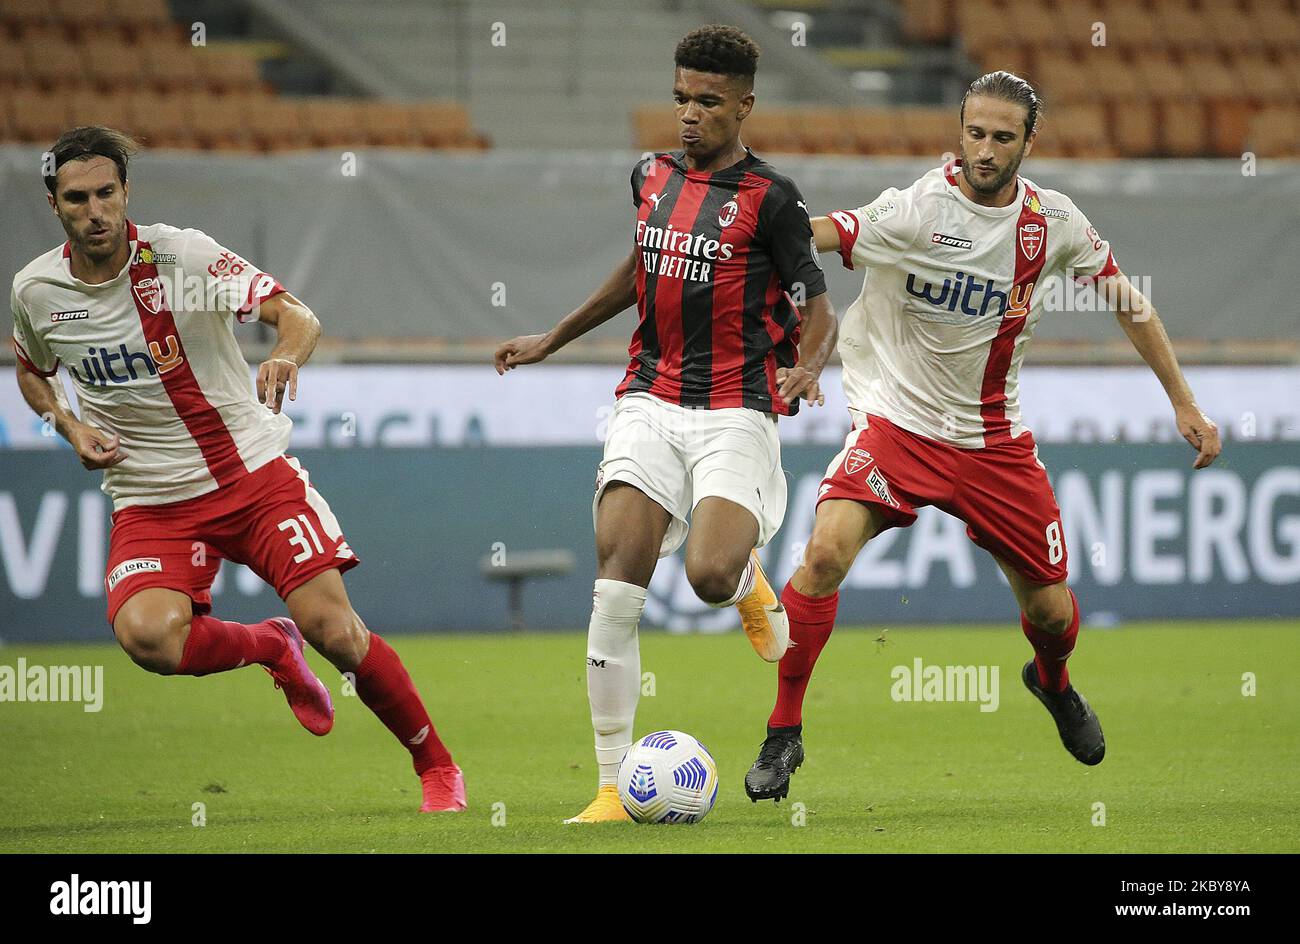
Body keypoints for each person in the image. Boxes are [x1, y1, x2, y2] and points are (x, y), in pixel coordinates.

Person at [744, 72, 1223, 801]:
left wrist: (1183, 402)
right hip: (895, 427)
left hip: (992, 443)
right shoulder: (914, 209)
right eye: (975, 133)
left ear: (1030, 142)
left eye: (1003, 137)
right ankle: (784, 733)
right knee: (824, 553)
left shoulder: (1052, 224)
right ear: (958, 131)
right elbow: (825, 233)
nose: (986, 149)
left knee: (1050, 611)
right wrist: (759, 225)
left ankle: (1052, 681)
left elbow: (1130, 304)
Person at [12, 126, 466, 813]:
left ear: (126, 191)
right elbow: (30, 370)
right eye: (78, 198)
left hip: (249, 476)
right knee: (148, 637)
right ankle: (269, 648)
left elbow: (297, 315)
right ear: (55, 205)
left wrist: (285, 354)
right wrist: (68, 423)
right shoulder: (36, 290)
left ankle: (436, 765)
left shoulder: (183, 256)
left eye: (107, 192)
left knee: (336, 633)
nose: (96, 210)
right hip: (150, 497)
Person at [494, 25, 837, 823]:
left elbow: (821, 308)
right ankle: (613, 785)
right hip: (648, 396)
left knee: (710, 576)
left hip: (736, 407)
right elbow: (638, 267)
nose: (689, 114)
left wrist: (810, 365)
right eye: (681, 97)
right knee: (617, 579)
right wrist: (553, 336)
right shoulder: (649, 175)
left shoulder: (774, 199)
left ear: (744, 104)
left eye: (708, 102)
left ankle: (748, 585)